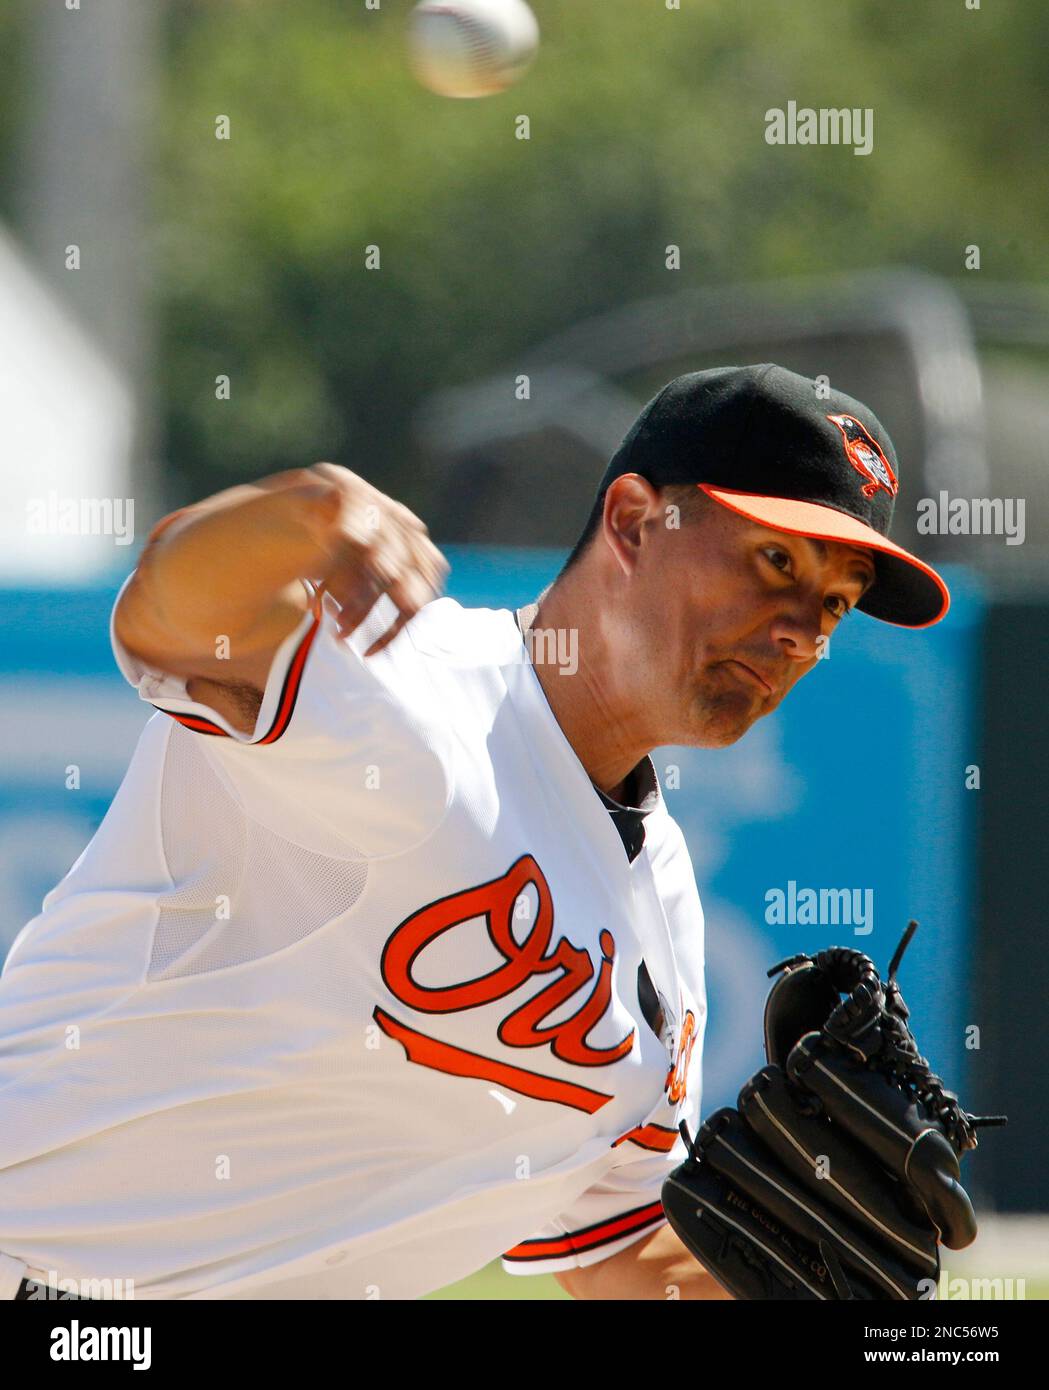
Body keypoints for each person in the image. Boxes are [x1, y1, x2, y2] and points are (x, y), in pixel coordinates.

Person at [0, 364, 948, 1302]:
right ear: (630, 521)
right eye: (775, 559)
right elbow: (163, 623)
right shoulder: (404, 685)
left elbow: (609, 1250)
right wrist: (289, 517)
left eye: (832, 602)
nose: (799, 632)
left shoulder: (663, 915)